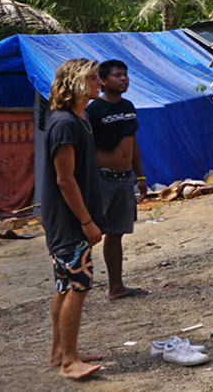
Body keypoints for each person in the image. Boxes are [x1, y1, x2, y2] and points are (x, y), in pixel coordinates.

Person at [43, 58, 105, 380]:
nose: (100, 83)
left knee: (64, 284)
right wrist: (86, 221)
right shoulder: (65, 123)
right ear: (77, 83)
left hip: (67, 220)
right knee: (78, 286)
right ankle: (69, 362)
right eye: (94, 78)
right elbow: (64, 179)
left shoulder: (77, 119)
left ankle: (60, 351)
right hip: (68, 222)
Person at [85, 60, 147, 300]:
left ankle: (116, 287)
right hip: (102, 180)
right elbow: (86, 149)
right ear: (102, 81)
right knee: (88, 235)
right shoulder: (93, 111)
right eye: (117, 75)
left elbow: (132, 143)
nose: (124, 79)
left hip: (125, 180)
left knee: (116, 233)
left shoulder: (129, 107)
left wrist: (139, 175)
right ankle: (75, 289)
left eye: (126, 75)